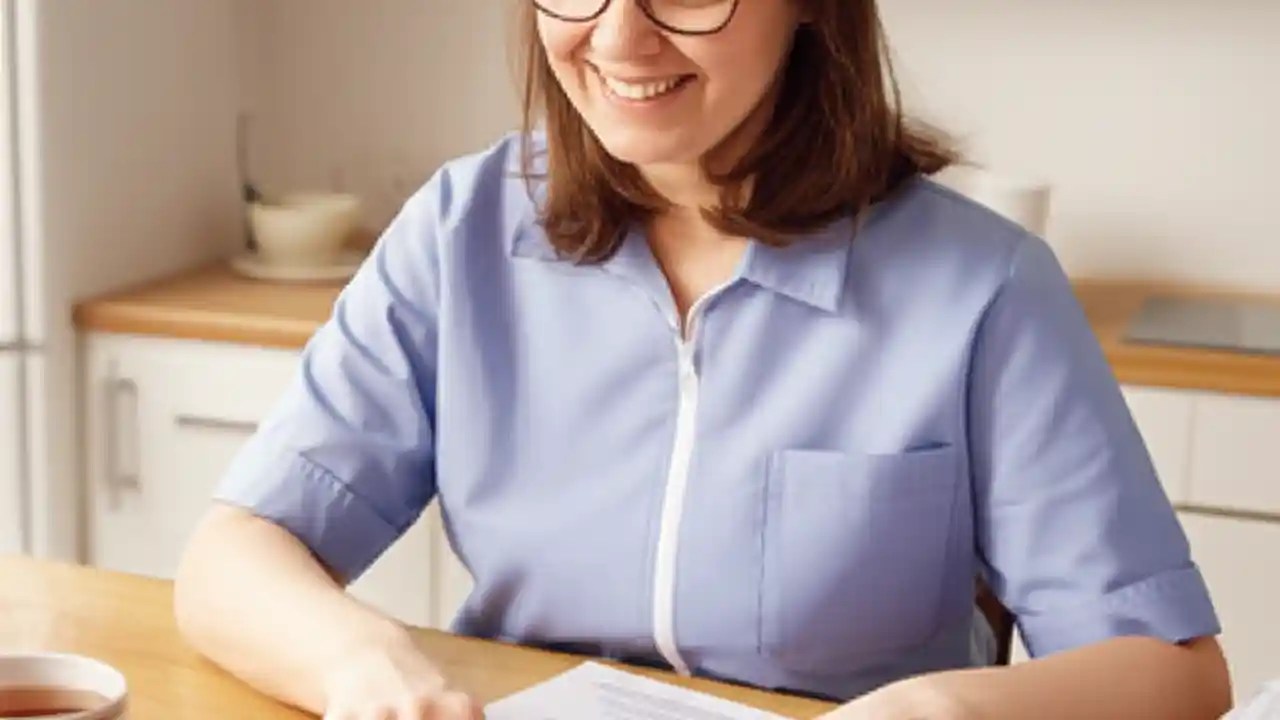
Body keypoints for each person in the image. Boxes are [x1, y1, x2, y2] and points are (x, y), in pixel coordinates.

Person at [174, 0, 1233, 718]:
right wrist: (366, 663)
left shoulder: (982, 288)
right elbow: (234, 558)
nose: (619, 36)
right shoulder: (460, 230)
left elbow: (1173, 674)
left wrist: (942, 705)